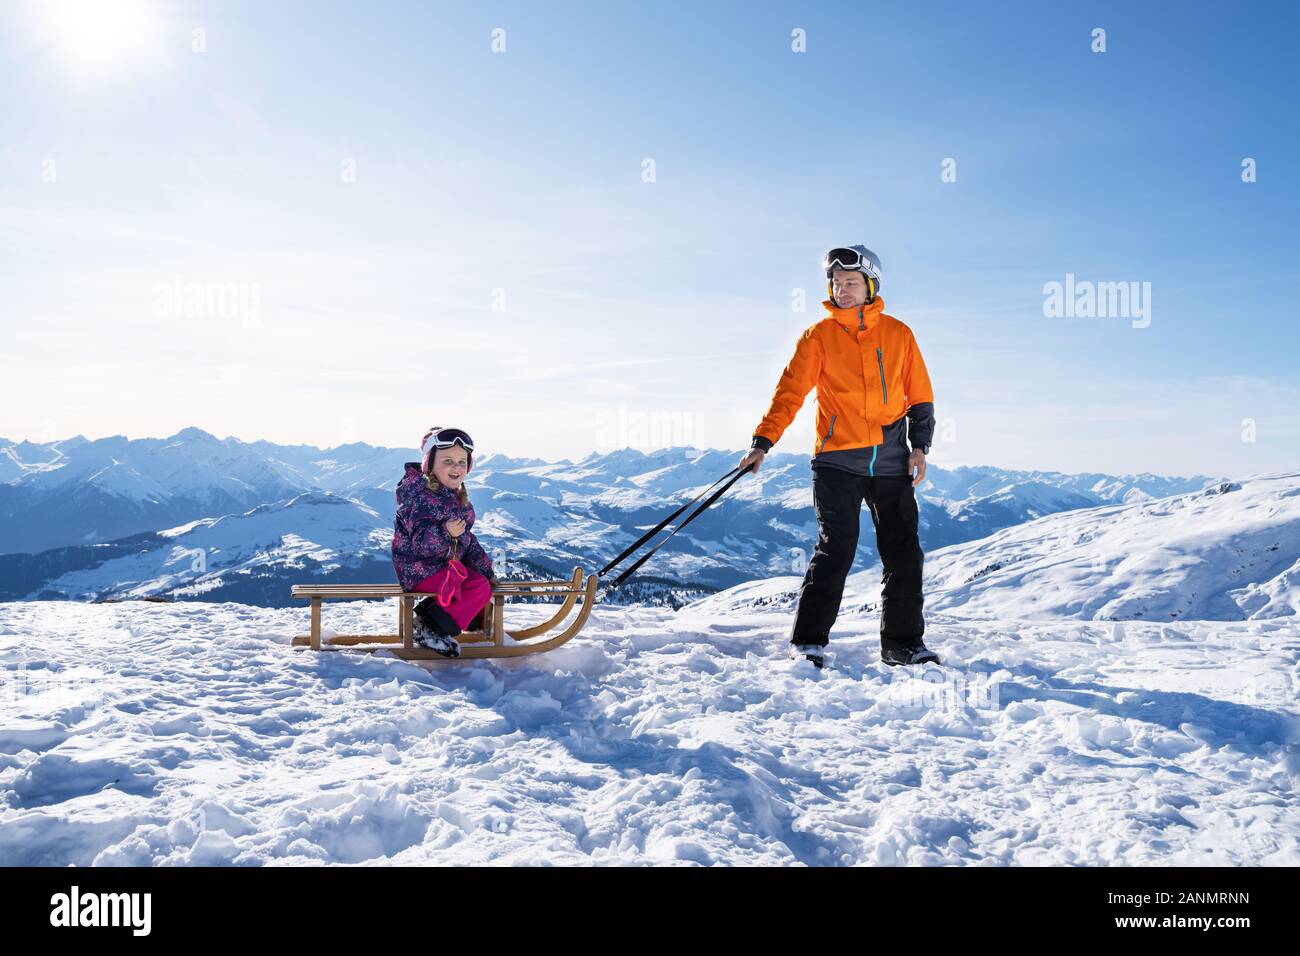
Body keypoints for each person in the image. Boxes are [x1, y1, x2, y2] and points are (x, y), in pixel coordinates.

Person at [738, 245, 941, 669]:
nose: (842, 290)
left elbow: (920, 396)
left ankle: (902, 645)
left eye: (851, 283)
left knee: (904, 552)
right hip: (835, 460)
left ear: (870, 287)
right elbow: (790, 394)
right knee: (838, 548)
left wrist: (919, 447)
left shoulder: (899, 334)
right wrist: (762, 442)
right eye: (836, 283)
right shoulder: (819, 337)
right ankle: (809, 641)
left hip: (890, 460)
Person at [391, 426, 497, 657]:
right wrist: (445, 532)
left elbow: (467, 541)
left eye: (461, 462)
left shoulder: (454, 498)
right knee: (476, 586)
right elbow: (421, 543)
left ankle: (441, 620)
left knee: (480, 582)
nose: (456, 467)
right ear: (429, 465)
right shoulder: (421, 497)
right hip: (419, 569)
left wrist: (486, 570)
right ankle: (429, 628)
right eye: (447, 461)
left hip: (440, 567)